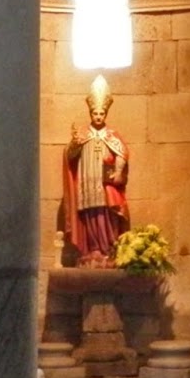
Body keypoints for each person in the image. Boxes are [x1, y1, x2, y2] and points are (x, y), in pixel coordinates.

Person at [63, 75, 130, 265]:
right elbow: (70, 157)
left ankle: (108, 248)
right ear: (90, 113)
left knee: (106, 213)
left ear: (105, 114)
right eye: (95, 113)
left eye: (101, 113)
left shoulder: (112, 135)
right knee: (90, 213)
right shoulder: (83, 135)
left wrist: (118, 170)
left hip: (105, 183)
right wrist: (75, 145)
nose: (98, 116)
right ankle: (92, 249)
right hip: (87, 180)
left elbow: (123, 153)